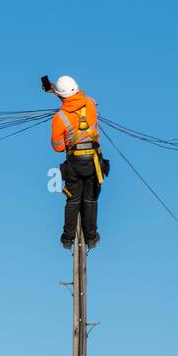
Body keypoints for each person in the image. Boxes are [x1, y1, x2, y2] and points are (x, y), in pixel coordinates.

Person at [49, 75, 104, 250]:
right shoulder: (90, 104)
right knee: (90, 200)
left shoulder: (59, 118)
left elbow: (57, 147)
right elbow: (77, 99)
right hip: (93, 162)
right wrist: (55, 92)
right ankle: (91, 237)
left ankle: (68, 238)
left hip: (74, 164)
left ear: (60, 95)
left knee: (73, 201)